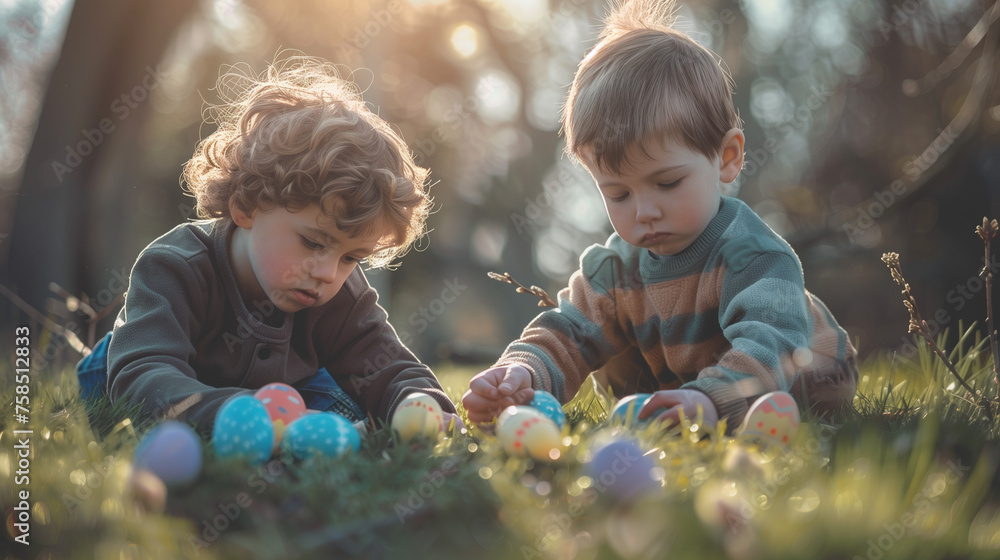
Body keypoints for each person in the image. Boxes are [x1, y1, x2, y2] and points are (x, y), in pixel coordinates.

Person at [462, 0, 858, 432]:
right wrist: (521, 374)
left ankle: (748, 410)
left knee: (810, 387)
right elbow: (568, 331)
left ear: (726, 158)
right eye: (617, 193)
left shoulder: (753, 255)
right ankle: (670, 405)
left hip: (802, 363)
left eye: (667, 183)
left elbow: (774, 341)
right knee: (604, 343)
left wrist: (711, 400)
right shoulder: (616, 269)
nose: (645, 212)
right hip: (683, 373)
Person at [77, 56, 459, 434]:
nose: (328, 273)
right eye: (312, 242)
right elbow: (144, 377)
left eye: (351, 258)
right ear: (245, 206)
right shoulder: (174, 267)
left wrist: (416, 403)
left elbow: (389, 367)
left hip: (283, 392)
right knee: (131, 389)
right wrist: (243, 416)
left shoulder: (340, 296)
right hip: (144, 373)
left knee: (342, 405)